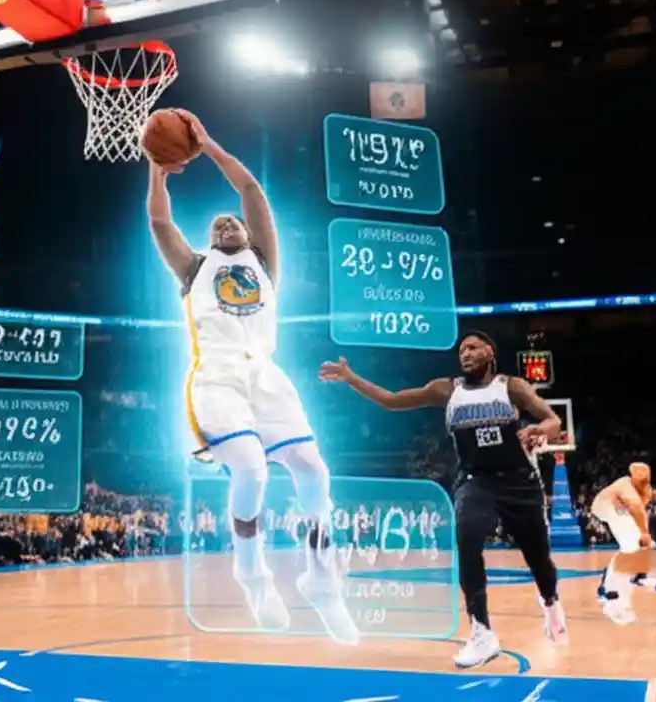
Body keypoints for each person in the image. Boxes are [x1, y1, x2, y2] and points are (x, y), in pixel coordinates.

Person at [148, 112, 358, 645]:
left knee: (313, 470)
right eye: (218, 225)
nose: (226, 224)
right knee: (251, 470)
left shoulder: (265, 260)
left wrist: (208, 143)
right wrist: (156, 170)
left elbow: (249, 188)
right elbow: (159, 225)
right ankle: (253, 576)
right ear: (210, 241)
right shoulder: (193, 269)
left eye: (232, 222)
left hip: (267, 377)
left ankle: (320, 578)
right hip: (215, 379)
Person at [319, 331, 568, 668]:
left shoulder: (512, 387)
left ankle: (550, 601)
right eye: (461, 349)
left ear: (490, 351)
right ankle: (481, 631)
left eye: (472, 347)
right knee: (466, 538)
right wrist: (351, 378)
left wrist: (543, 431)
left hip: (519, 483)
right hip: (475, 482)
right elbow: (391, 399)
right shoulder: (447, 389)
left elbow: (553, 419)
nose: (464, 353)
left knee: (540, 560)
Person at [591, 462, 656, 625]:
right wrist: (644, 533)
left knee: (636, 545)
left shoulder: (643, 489)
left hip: (618, 508)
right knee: (632, 543)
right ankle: (609, 590)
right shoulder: (629, 491)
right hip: (606, 507)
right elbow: (638, 512)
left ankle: (638, 576)